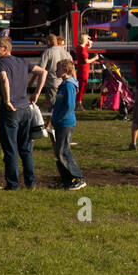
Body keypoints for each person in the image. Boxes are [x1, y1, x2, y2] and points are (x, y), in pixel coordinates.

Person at [0, 35, 46, 189]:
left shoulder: (0, 63)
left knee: (10, 148)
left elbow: (4, 79)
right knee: (25, 148)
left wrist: (7, 100)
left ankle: (13, 184)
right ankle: (31, 182)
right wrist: (37, 92)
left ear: (4, 49)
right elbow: (43, 72)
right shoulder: (22, 62)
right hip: (25, 109)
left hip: (11, 110)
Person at [51, 58, 85, 190]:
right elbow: (60, 100)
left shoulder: (69, 85)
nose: (55, 71)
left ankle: (78, 178)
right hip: (60, 123)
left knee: (63, 151)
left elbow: (70, 104)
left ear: (65, 71)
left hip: (65, 123)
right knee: (59, 152)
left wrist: (61, 117)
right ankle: (67, 180)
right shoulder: (63, 85)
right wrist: (52, 104)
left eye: (58, 69)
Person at [38, 34, 72, 132]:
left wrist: (33, 81)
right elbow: (72, 68)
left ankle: (50, 123)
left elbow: (41, 69)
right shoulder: (66, 53)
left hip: (52, 83)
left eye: (46, 42)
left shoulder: (48, 52)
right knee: (62, 103)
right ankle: (55, 122)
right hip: (65, 84)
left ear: (49, 41)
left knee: (51, 104)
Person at [74, 33, 100, 111]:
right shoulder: (82, 50)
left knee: (81, 87)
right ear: (85, 40)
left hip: (82, 69)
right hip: (83, 70)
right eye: (88, 39)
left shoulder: (80, 47)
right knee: (81, 88)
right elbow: (86, 61)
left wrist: (88, 40)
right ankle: (79, 104)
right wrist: (95, 58)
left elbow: (89, 45)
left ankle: (78, 104)